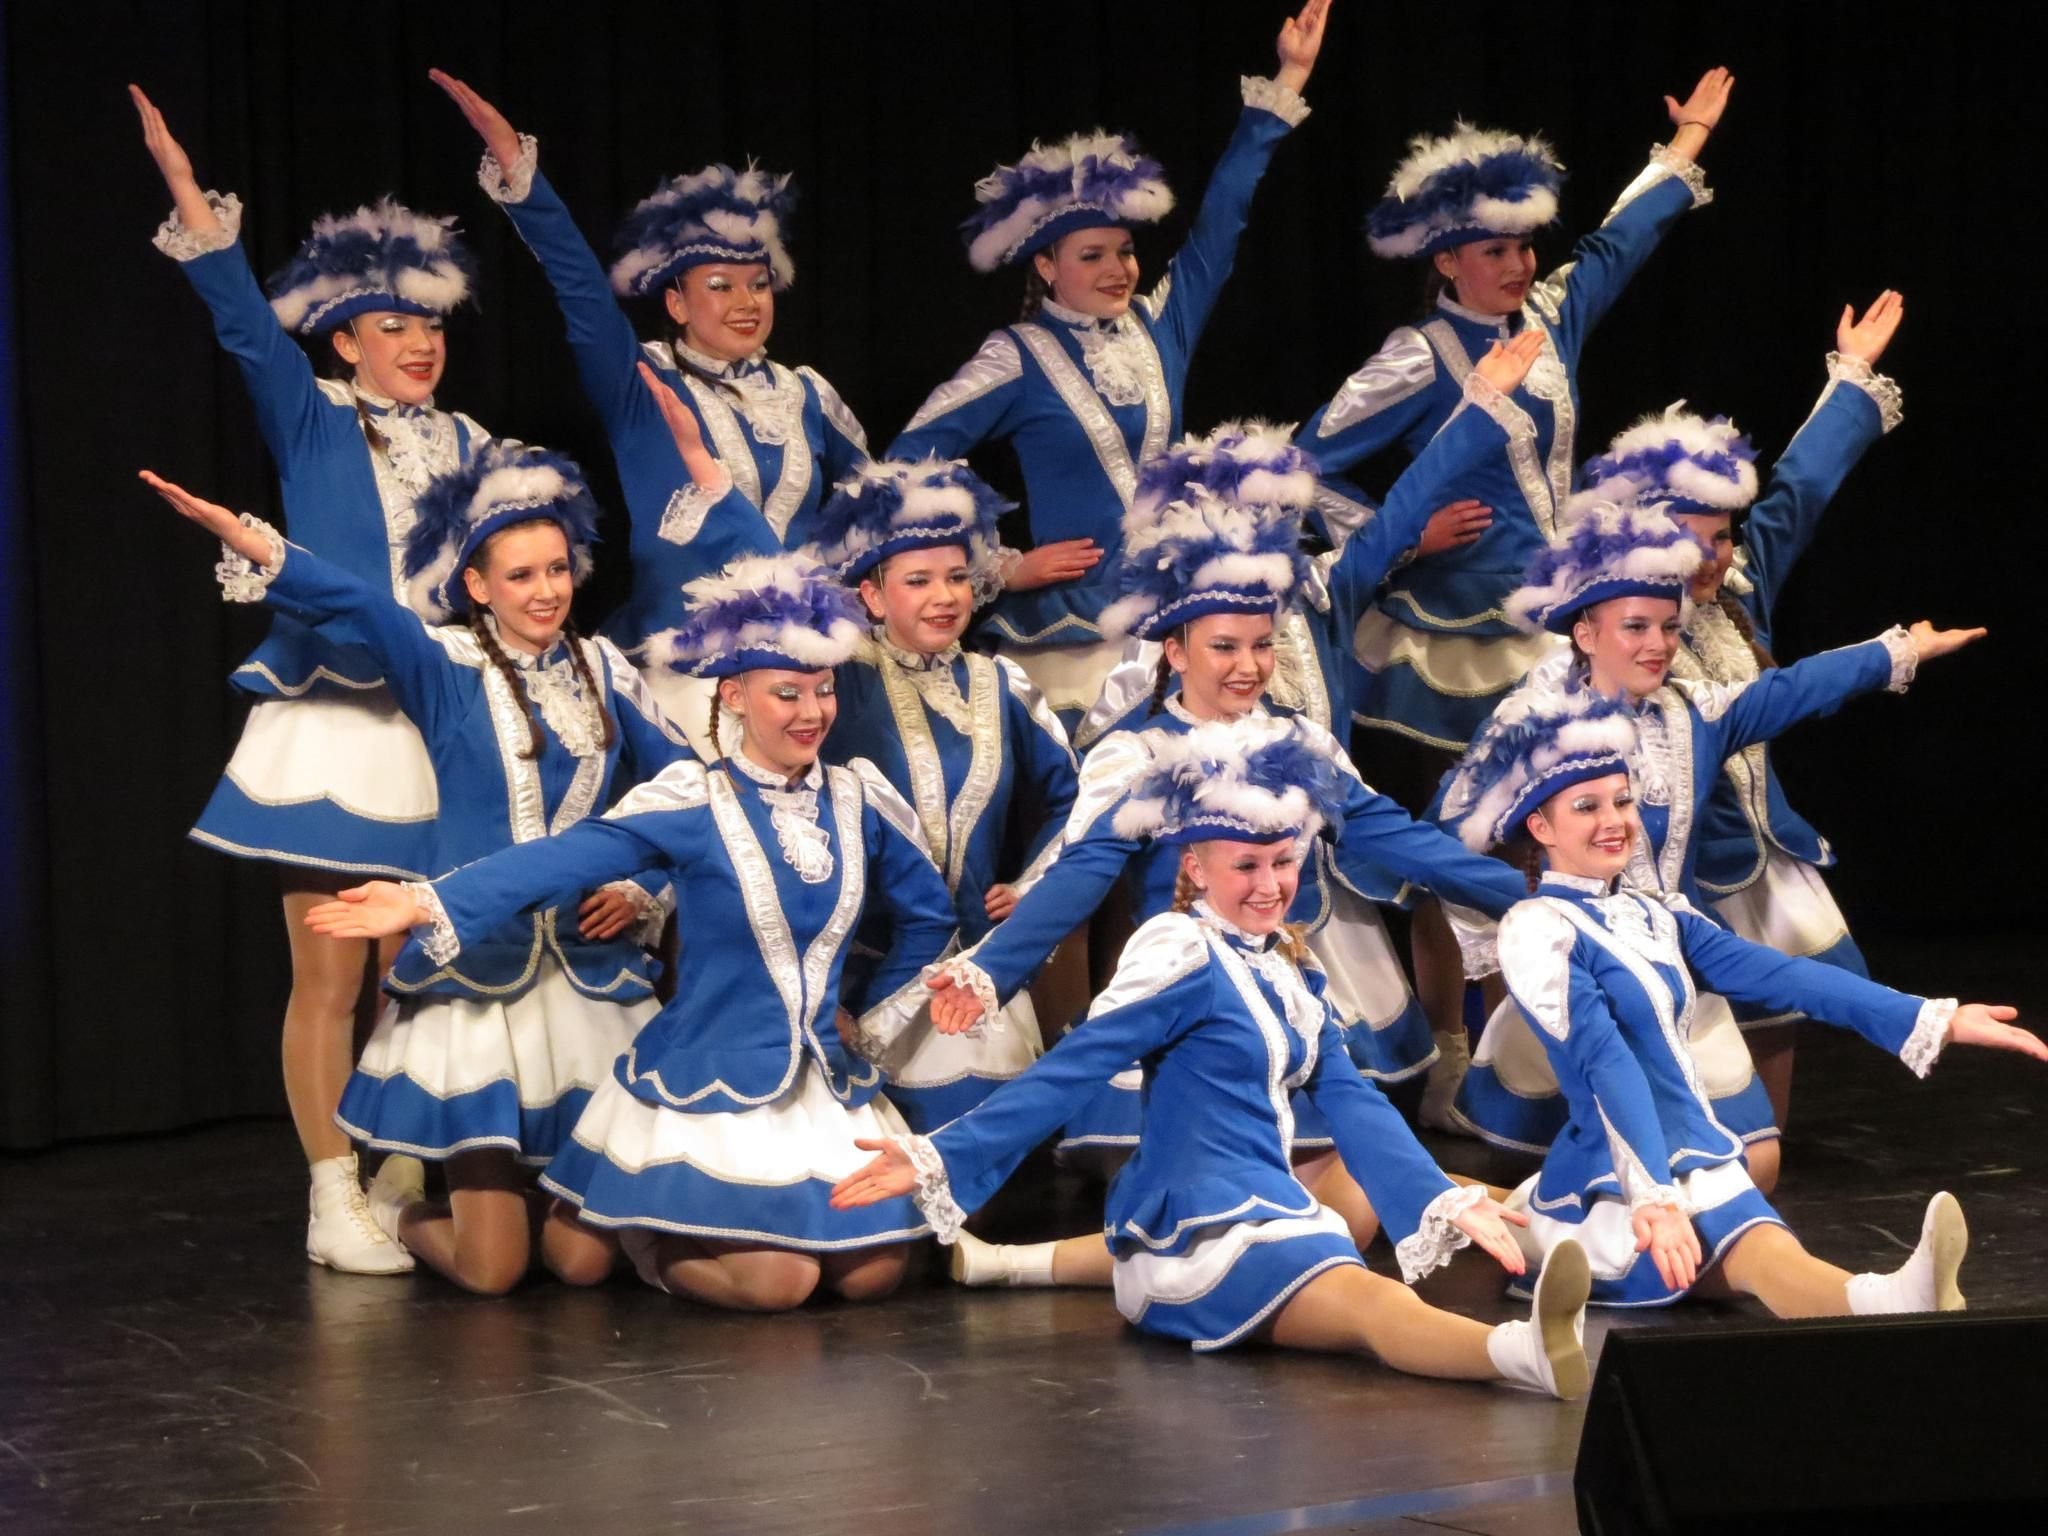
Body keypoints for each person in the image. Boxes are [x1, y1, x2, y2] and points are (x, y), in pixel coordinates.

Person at [832, 718, 1593, 1396]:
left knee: (1351, 1240)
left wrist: (1437, 1197)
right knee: (1374, 1303)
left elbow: (1354, 1103)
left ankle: (1009, 1264)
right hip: (1196, 1238)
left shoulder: (1286, 967)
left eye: (1283, 863)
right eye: (1245, 868)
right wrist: (938, 1156)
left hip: (1256, 1207)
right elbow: (1073, 1071)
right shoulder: (1178, 953)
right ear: (1194, 867)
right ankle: (1517, 1353)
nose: (1271, 887)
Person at [308, 553, 962, 1311]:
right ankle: (633, 1233)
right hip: (704, 1086)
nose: (810, 712)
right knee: (757, 1283)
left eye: (823, 691)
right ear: (736, 697)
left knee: (875, 1275)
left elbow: (928, 919)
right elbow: (561, 858)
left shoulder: (859, 802)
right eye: (786, 693)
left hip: (818, 1085)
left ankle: (630, 1219)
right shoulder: (695, 802)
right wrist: (427, 904)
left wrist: (866, 1016)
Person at [143, 446, 695, 1294]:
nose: (546, 591)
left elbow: (686, 790)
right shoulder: (445, 667)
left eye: (557, 569)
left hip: (587, 984)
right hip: (478, 982)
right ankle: (394, 1207)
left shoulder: (607, 671)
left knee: (584, 1266)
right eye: (520, 576)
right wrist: (252, 543)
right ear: (478, 587)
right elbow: (354, 601)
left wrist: (641, 889)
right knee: (493, 1271)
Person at [1298, 69, 1734, 1126]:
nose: (1516, 264)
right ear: (1444, 258)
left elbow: (1616, 249)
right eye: (1491, 250)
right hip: (1455, 641)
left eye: (1521, 246)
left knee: (1561, 837)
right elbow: (1306, 464)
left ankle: (1531, 1047)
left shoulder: (1548, 317)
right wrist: (1394, 537)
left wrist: (1678, 154)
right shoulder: (1418, 354)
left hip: (1551, 631)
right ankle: (1454, 1058)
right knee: (1461, 854)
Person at [133, 83, 493, 1271]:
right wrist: (191, 198)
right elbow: (243, 325)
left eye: (429, 326)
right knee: (330, 976)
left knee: (423, 972)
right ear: (344, 341)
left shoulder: (479, 447)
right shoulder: (312, 418)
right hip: (335, 728)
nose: (418, 345)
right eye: (392, 328)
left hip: (439, 727)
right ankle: (330, 1193)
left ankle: (395, 1165)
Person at [1438, 498, 1983, 1188]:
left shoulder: (1690, 714)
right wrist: (1518, 943)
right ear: (1584, 632)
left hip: (1672, 970)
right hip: (1573, 987)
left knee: (1756, 1164)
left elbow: (1789, 689)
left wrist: (1896, 651)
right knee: (1578, 1178)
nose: (1657, 645)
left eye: (1668, 627)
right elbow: (1449, 841)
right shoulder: (1529, 728)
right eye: (1634, 627)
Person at [1453, 686, 2044, 1310]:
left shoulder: (1656, 917)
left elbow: (1784, 977)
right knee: (1759, 1254)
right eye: (1586, 807)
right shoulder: (1539, 928)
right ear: (1540, 827)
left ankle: (1890, 1300)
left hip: (1692, 1143)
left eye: (1623, 801)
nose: (1614, 821)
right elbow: (1605, 1063)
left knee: (1760, 1251)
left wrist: (1930, 1017)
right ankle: (1892, 1301)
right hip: (1619, 1163)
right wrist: (1652, 1194)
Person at [887, 0, 1332, 730]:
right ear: (1045, 264)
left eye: (1124, 251)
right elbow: (904, 464)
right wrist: (997, 568)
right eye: (1091, 256)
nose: (1118, 269)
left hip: (1166, 608)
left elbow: (1220, 229)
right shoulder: (1015, 356)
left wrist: (1285, 84)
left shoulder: (1158, 327)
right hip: (1071, 633)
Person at [429, 69, 864, 750]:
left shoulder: (806, 392)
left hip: (798, 675)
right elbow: (581, 291)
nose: (747, 301)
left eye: (759, 284)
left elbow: (879, 510)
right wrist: (524, 182)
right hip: (686, 669)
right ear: (676, 302)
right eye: (719, 286)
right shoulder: (645, 384)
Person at [1582, 294, 1905, 1131]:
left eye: (1723, 537)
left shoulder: (1735, 587)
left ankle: (1762, 1179)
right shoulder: (1619, 631)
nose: (1714, 556)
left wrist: (1852, 381)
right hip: (1674, 872)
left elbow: (1796, 491)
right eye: (1694, 539)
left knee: (1775, 1021)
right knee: (1685, 1043)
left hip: (1759, 850)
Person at [806, 454, 1080, 1130]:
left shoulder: (1000, 683)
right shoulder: (833, 683)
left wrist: (1031, 888)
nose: (944, 596)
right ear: (871, 596)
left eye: (957, 577)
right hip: (864, 973)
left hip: (973, 971)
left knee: (980, 1158)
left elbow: (1078, 798)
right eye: (919, 580)